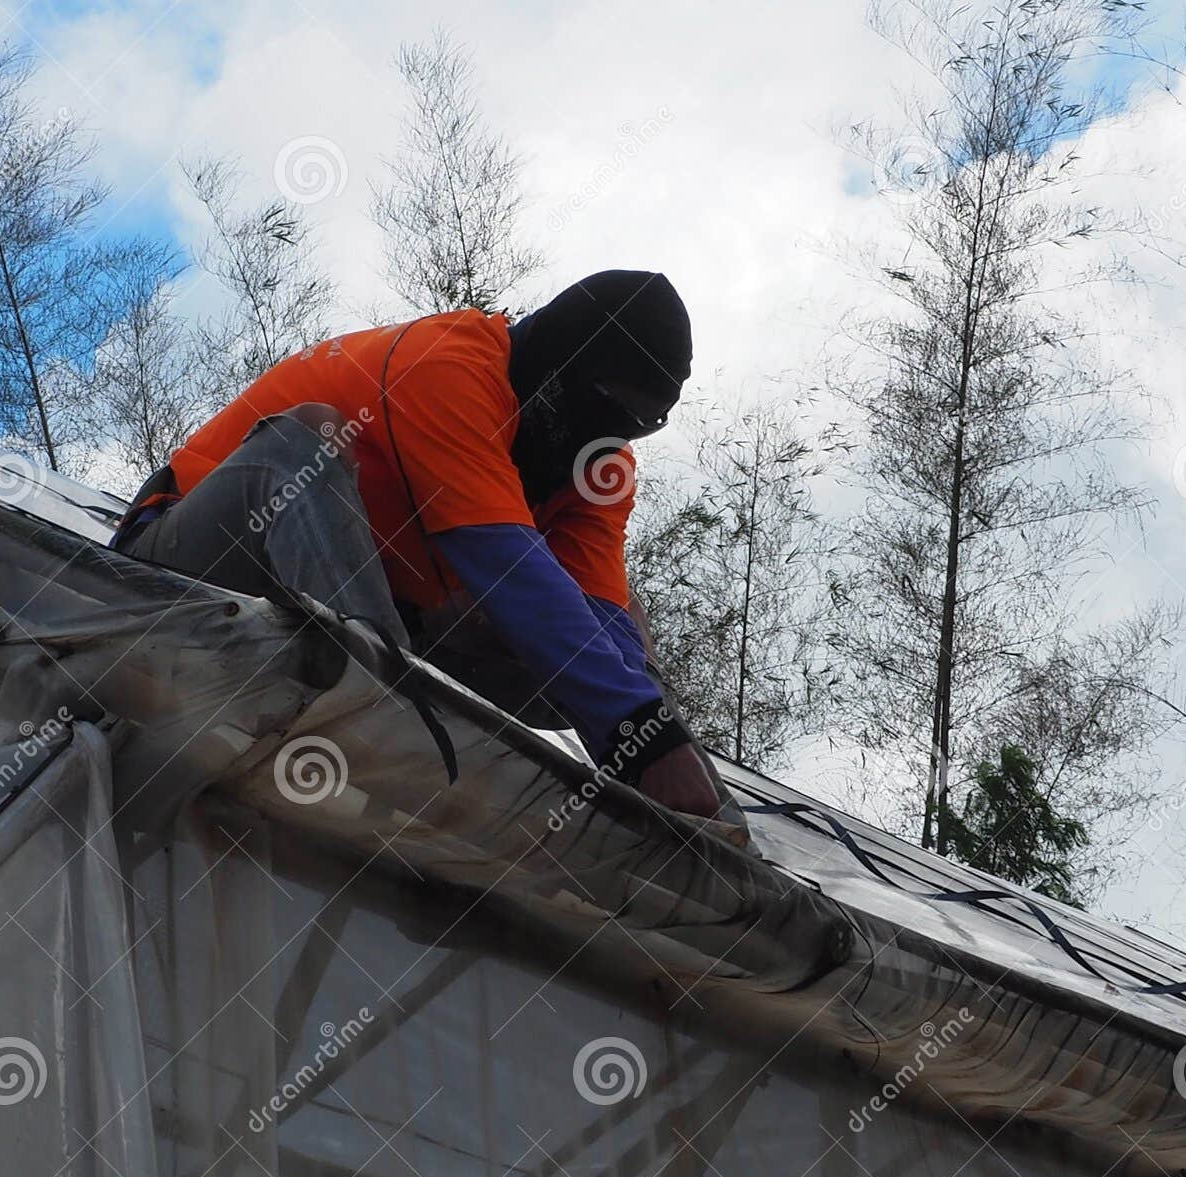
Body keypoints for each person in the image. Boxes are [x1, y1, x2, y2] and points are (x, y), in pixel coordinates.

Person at [115, 269, 739, 824]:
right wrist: (641, 731)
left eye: (643, 425)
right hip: (185, 576)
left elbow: (606, 626)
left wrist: (658, 744)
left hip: (364, 625)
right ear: (562, 364)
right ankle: (385, 726)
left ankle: (692, 821)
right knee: (307, 442)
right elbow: (504, 565)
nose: (617, 436)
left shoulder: (599, 466)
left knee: (617, 630)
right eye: (614, 408)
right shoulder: (449, 366)